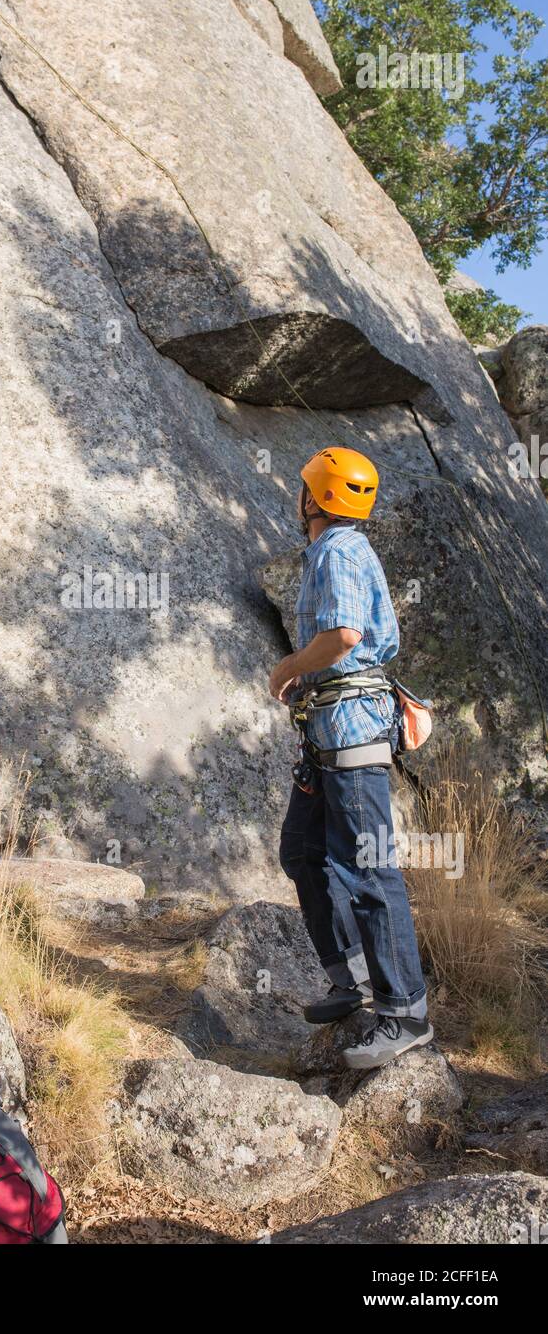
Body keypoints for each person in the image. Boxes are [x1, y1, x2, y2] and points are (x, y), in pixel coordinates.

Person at [268, 447, 432, 1068]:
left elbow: (343, 637)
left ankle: (404, 1012)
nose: (300, 495)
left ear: (315, 498)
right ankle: (355, 979)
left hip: (351, 729)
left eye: (304, 487)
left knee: (369, 868)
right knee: (304, 852)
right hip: (331, 732)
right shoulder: (338, 549)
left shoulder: (337, 550)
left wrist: (288, 667)